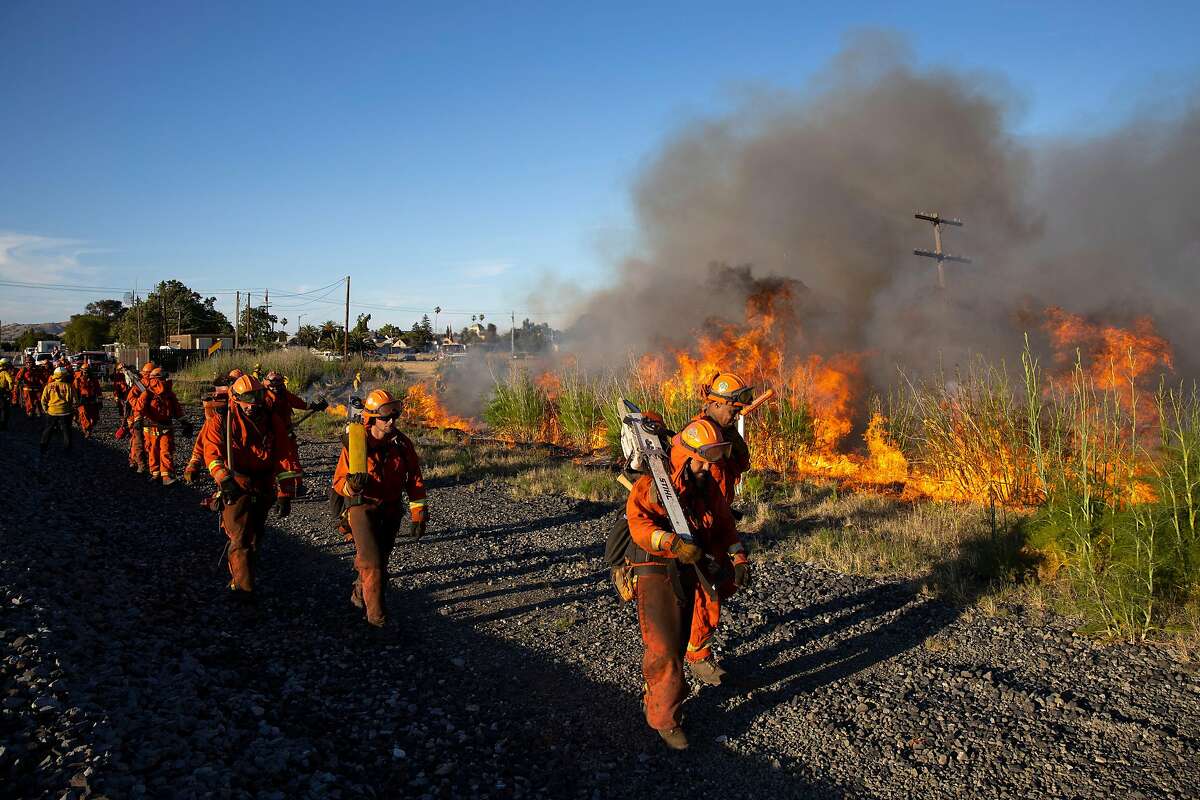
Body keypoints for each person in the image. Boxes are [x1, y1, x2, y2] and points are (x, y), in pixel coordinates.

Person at [625, 418, 751, 750]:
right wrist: (672, 543)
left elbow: (724, 525)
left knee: (681, 644)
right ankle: (663, 719)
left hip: (691, 567)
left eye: (712, 463)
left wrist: (738, 557)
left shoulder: (707, 486)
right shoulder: (652, 486)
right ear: (684, 456)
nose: (707, 469)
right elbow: (639, 526)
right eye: (701, 461)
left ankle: (664, 690)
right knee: (664, 648)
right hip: (654, 565)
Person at [331, 389, 427, 627]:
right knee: (372, 563)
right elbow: (338, 482)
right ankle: (377, 621)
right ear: (372, 417)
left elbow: (414, 478)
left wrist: (419, 513)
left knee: (380, 564)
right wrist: (352, 487)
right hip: (363, 509)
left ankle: (358, 594)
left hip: (391, 511)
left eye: (394, 417)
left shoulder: (402, 444)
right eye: (385, 418)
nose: (391, 421)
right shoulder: (356, 444)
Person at [201, 375, 299, 596]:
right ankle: (244, 590)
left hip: (263, 485)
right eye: (246, 399)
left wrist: (285, 493)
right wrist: (224, 481)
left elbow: (285, 455)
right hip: (237, 484)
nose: (251, 404)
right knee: (240, 537)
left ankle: (243, 576)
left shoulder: (271, 420)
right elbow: (212, 453)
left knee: (255, 536)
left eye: (256, 398)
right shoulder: (222, 419)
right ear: (234, 398)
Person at [695, 372, 755, 504]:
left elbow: (743, 466)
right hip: (705, 516)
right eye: (733, 412)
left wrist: (735, 441)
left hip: (722, 511)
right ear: (717, 404)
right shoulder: (700, 434)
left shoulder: (726, 431)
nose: (737, 417)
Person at [264, 370, 327, 493]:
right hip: (272, 433)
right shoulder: (264, 397)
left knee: (290, 458)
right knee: (283, 459)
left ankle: (295, 486)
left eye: (278, 384)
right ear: (267, 383)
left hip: (284, 432)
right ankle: (281, 487)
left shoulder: (282, 394)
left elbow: (297, 402)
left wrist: (313, 406)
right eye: (274, 384)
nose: (276, 387)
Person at [133, 367, 190, 485]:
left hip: (166, 427)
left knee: (166, 450)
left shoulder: (169, 395)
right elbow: (139, 408)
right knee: (152, 451)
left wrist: (185, 423)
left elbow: (177, 410)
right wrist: (137, 420)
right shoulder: (147, 394)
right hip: (151, 428)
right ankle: (155, 473)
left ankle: (166, 476)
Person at [124, 363, 156, 472]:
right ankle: (139, 463)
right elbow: (130, 400)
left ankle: (139, 463)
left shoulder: (148, 384)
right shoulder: (140, 385)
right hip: (138, 417)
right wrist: (138, 406)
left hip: (145, 417)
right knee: (139, 441)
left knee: (141, 441)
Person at [39, 366, 78, 453]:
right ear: (64, 376)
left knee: (48, 429)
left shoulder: (48, 386)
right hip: (66, 412)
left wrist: (46, 410)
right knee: (66, 430)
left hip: (52, 412)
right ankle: (67, 449)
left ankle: (43, 447)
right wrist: (73, 410)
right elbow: (75, 401)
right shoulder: (69, 386)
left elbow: (43, 400)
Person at [73, 362, 103, 438]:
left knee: (94, 417)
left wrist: (100, 400)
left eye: (87, 370)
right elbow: (74, 390)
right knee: (84, 414)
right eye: (84, 370)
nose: (86, 372)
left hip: (92, 399)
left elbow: (98, 389)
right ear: (82, 370)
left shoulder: (93, 379)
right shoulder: (78, 379)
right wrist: (75, 401)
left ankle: (88, 429)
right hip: (82, 399)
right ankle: (86, 430)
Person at [0, 358, 13, 430]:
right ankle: (3, 426)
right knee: (4, 409)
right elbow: (10, 381)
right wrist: (10, 389)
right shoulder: (5, 372)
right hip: (2, 392)